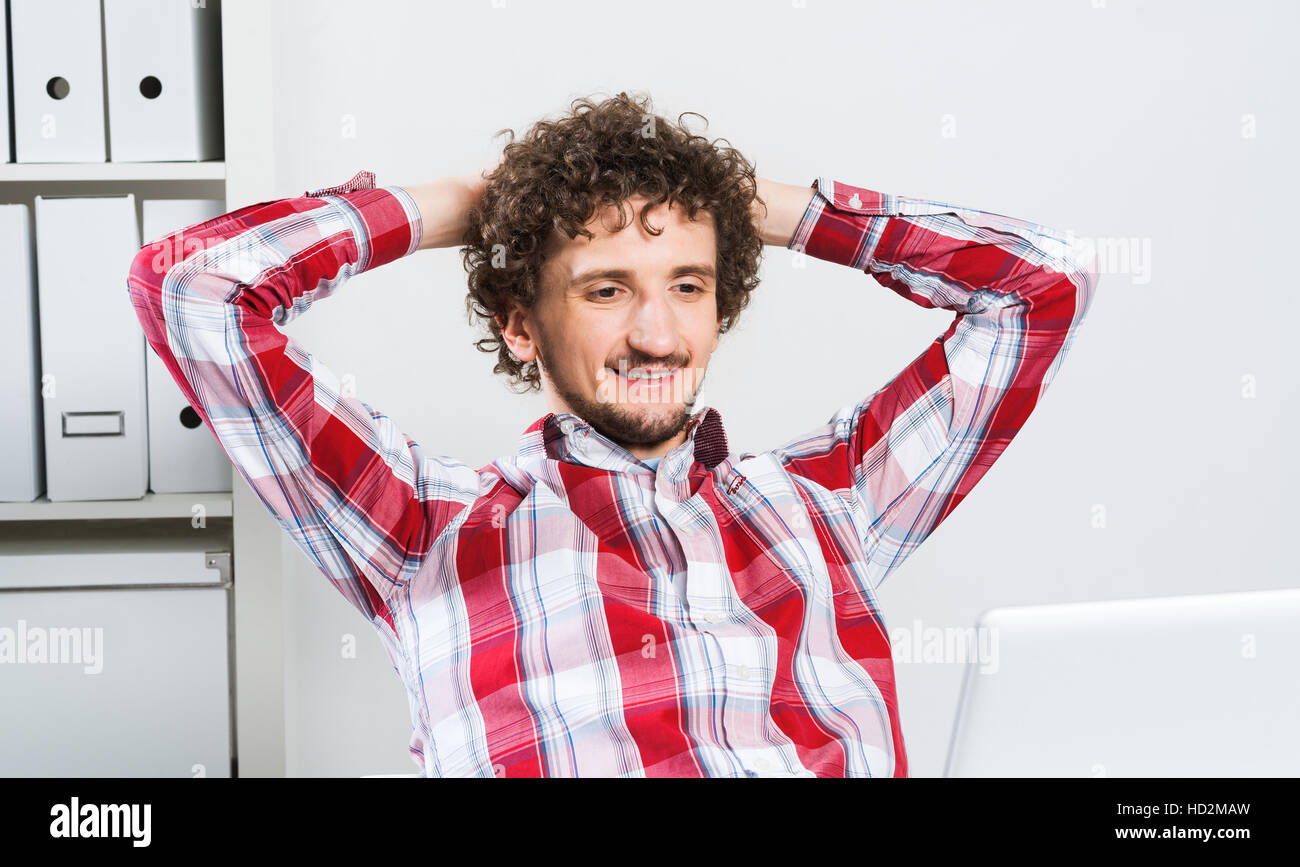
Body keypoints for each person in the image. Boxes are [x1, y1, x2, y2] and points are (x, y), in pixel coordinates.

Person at [128, 91, 1098, 777]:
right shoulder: (425, 532)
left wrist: (762, 208)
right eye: (606, 290)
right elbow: (192, 289)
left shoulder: (831, 504)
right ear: (520, 323)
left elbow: (1043, 283)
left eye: (689, 284)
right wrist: (463, 206)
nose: (657, 332)